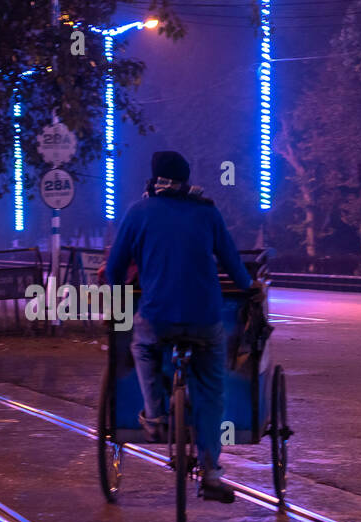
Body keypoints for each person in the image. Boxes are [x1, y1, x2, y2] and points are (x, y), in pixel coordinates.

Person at [105, 151, 259, 503]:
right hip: (205, 320)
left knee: (142, 347)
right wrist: (250, 288)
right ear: (187, 181)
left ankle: (155, 415)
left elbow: (114, 268)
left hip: (156, 317)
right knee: (211, 389)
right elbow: (236, 269)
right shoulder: (208, 212)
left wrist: (120, 296)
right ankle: (210, 471)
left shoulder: (138, 212)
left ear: (153, 179)